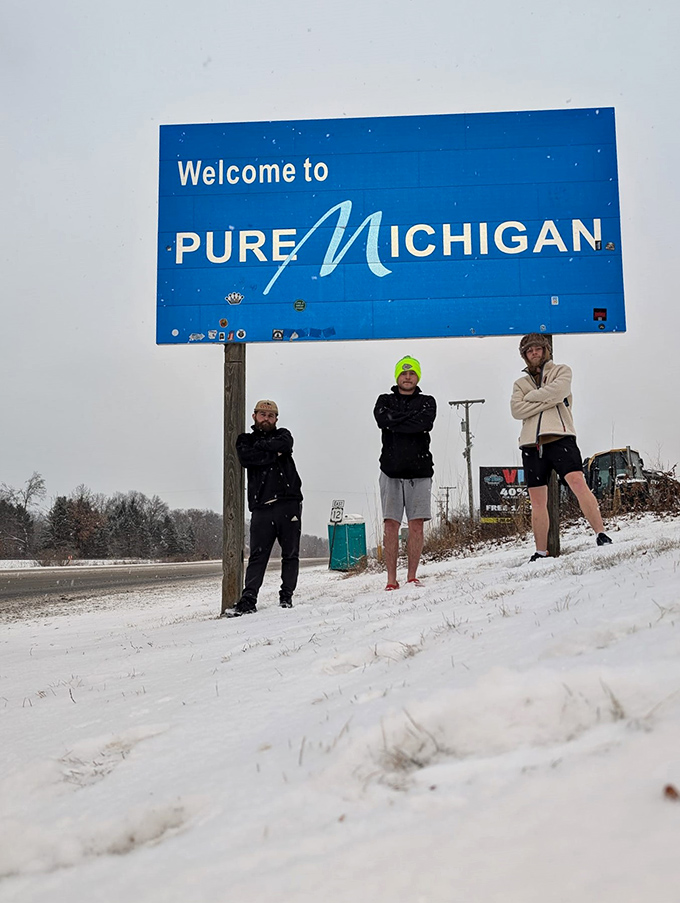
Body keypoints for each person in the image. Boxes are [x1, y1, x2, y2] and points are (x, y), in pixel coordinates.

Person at [510, 333, 611, 562]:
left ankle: (601, 533)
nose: (534, 353)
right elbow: (516, 411)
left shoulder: (562, 371)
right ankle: (540, 551)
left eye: (537, 349)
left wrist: (532, 400)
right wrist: (547, 399)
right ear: (525, 356)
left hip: (560, 436)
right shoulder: (520, 383)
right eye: (529, 351)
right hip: (531, 444)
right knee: (537, 500)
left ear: (545, 350)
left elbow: (559, 392)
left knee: (578, 483)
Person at [229, 399, 303, 616]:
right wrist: (272, 453)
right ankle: (249, 599)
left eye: (271, 416)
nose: (266, 419)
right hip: (261, 506)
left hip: (289, 503)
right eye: (262, 415)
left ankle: (286, 597)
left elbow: (284, 445)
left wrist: (263, 451)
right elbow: (246, 457)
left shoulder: (284, 435)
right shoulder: (245, 440)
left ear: (276, 419)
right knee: (258, 556)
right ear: (254, 416)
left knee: (290, 554)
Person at [374, 356, 437, 590]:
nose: (407, 376)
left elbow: (425, 423)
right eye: (403, 373)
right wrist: (408, 421)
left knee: (416, 525)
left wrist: (397, 422)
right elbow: (383, 420)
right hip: (390, 472)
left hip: (420, 473)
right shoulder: (384, 400)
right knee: (390, 525)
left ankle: (412, 576)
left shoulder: (428, 401)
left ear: (417, 376)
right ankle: (391, 579)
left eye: (411, 373)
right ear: (397, 376)